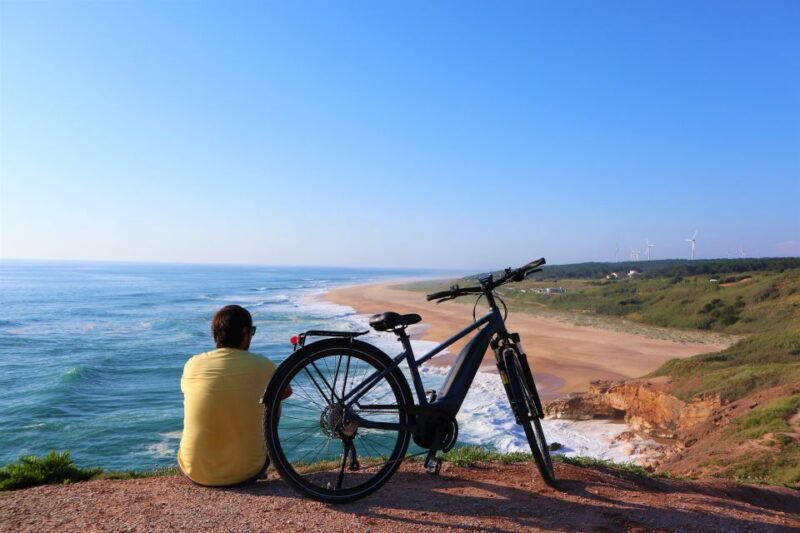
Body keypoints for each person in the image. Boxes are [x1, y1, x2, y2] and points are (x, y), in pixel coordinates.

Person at [177, 304, 290, 486]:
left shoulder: (193, 364)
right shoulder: (263, 365)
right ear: (245, 332)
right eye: (252, 331)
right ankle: (262, 454)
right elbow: (287, 392)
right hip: (249, 471)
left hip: (196, 472)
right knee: (274, 397)